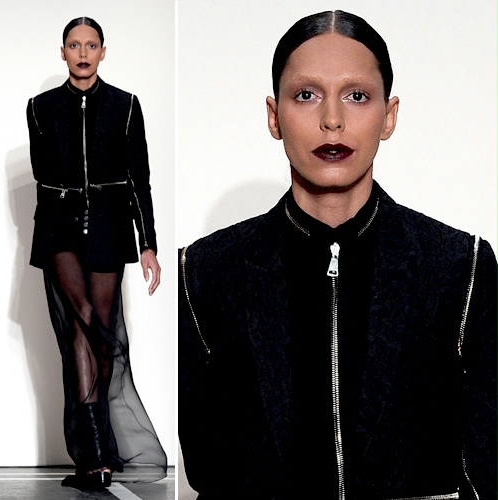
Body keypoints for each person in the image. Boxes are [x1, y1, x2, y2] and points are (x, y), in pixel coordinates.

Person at [179, 10, 498, 500]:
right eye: (306, 95)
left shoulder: (461, 268)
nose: (332, 120)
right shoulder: (203, 272)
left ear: (389, 115)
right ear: (274, 116)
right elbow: (208, 470)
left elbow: (488, 466)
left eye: (357, 96)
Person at [27, 16, 167, 490]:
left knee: (100, 337)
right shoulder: (40, 108)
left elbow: (139, 178)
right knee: (82, 324)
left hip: (108, 226)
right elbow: (42, 173)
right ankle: (93, 457)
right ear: (62, 52)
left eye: (91, 45)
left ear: (103, 52)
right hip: (59, 229)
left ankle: (99, 453)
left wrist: (147, 243)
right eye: (74, 45)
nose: (83, 53)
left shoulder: (125, 106)